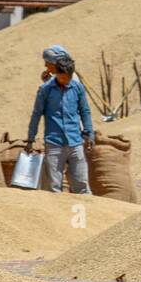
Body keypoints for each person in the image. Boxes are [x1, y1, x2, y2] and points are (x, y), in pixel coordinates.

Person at [28, 54, 94, 193]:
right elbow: (36, 114)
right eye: (62, 77)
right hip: (54, 145)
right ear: (56, 74)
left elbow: (85, 111)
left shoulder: (78, 88)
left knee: (81, 185)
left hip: (75, 143)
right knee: (54, 187)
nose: (65, 81)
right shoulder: (45, 90)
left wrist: (89, 133)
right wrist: (30, 139)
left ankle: (83, 213)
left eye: (68, 78)